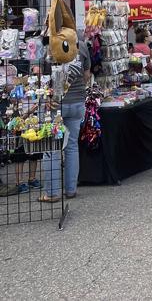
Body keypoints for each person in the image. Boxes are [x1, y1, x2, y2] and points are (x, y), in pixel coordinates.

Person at [39, 40, 90, 202]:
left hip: (54, 103)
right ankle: (71, 190)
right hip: (77, 102)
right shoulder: (81, 45)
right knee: (72, 146)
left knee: (52, 147)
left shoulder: (50, 45)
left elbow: (40, 75)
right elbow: (86, 75)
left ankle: (52, 193)